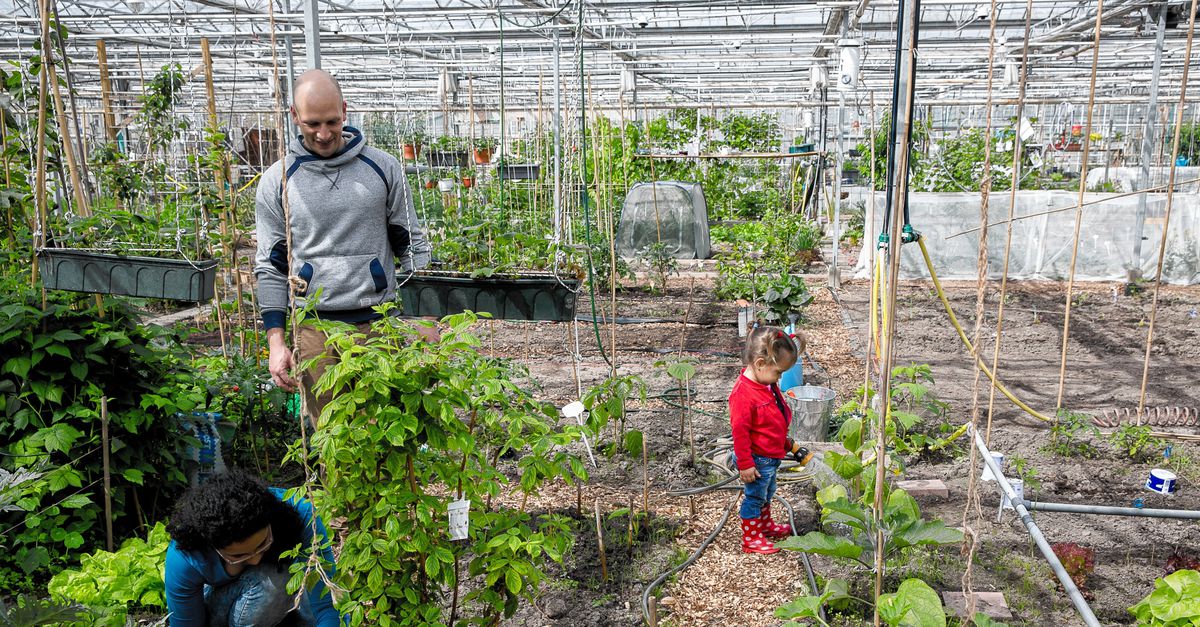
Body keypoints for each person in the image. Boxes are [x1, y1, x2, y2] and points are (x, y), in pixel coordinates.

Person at [254, 69, 432, 426]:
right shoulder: (278, 180)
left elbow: (410, 243)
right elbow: (271, 266)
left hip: (379, 324)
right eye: (312, 123)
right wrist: (276, 341)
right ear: (294, 116)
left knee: (386, 433)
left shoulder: (382, 168)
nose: (323, 134)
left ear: (345, 111)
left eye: (332, 121)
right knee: (332, 437)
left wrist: (426, 319)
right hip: (315, 329)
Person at [164, 469, 343, 626]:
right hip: (224, 610)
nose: (256, 559)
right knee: (274, 580)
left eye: (263, 544)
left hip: (283, 604)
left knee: (319, 605)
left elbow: (326, 603)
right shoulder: (185, 555)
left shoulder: (300, 514)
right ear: (212, 546)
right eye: (238, 556)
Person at [729, 325, 809, 554]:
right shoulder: (744, 394)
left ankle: (764, 526)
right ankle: (751, 538)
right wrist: (745, 464)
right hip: (756, 459)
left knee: (767, 492)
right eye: (779, 372)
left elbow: (769, 420)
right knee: (754, 497)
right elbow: (740, 433)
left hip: (770, 456)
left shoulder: (766, 384)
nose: (780, 378)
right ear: (760, 364)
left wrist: (783, 440)